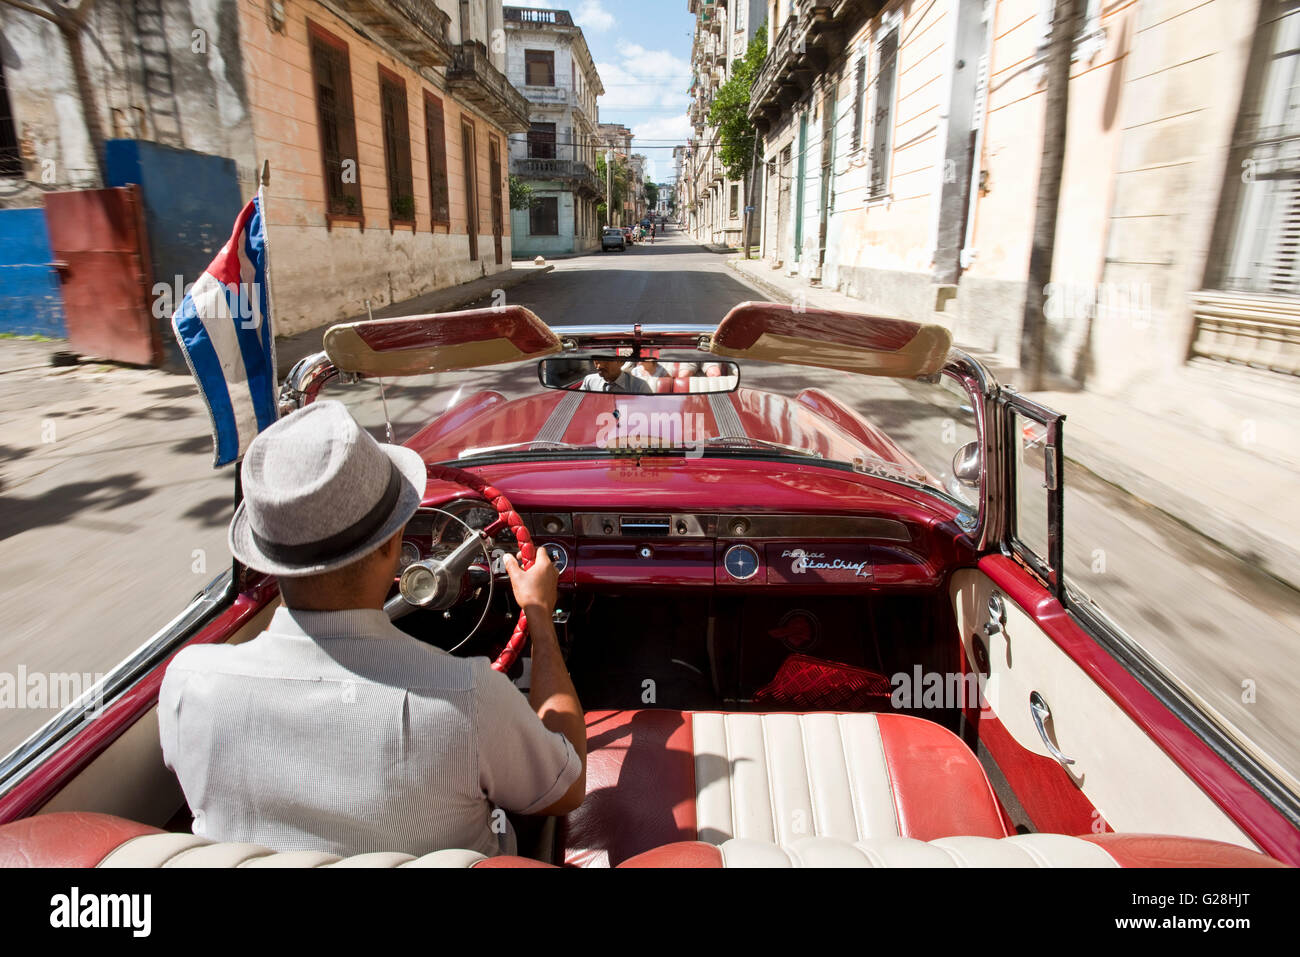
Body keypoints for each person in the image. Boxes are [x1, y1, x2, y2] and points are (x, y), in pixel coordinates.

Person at [157, 400, 586, 858]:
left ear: (267, 558)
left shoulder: (189, 683)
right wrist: (539, 616)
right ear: (393, 546)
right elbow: (569, 786)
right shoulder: (469, 697)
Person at [581, 357, 652, 393]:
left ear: (621, 361)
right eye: (596, 361)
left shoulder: (640, 387)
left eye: (605, 361)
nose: (599, 366)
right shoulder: (589, 381)